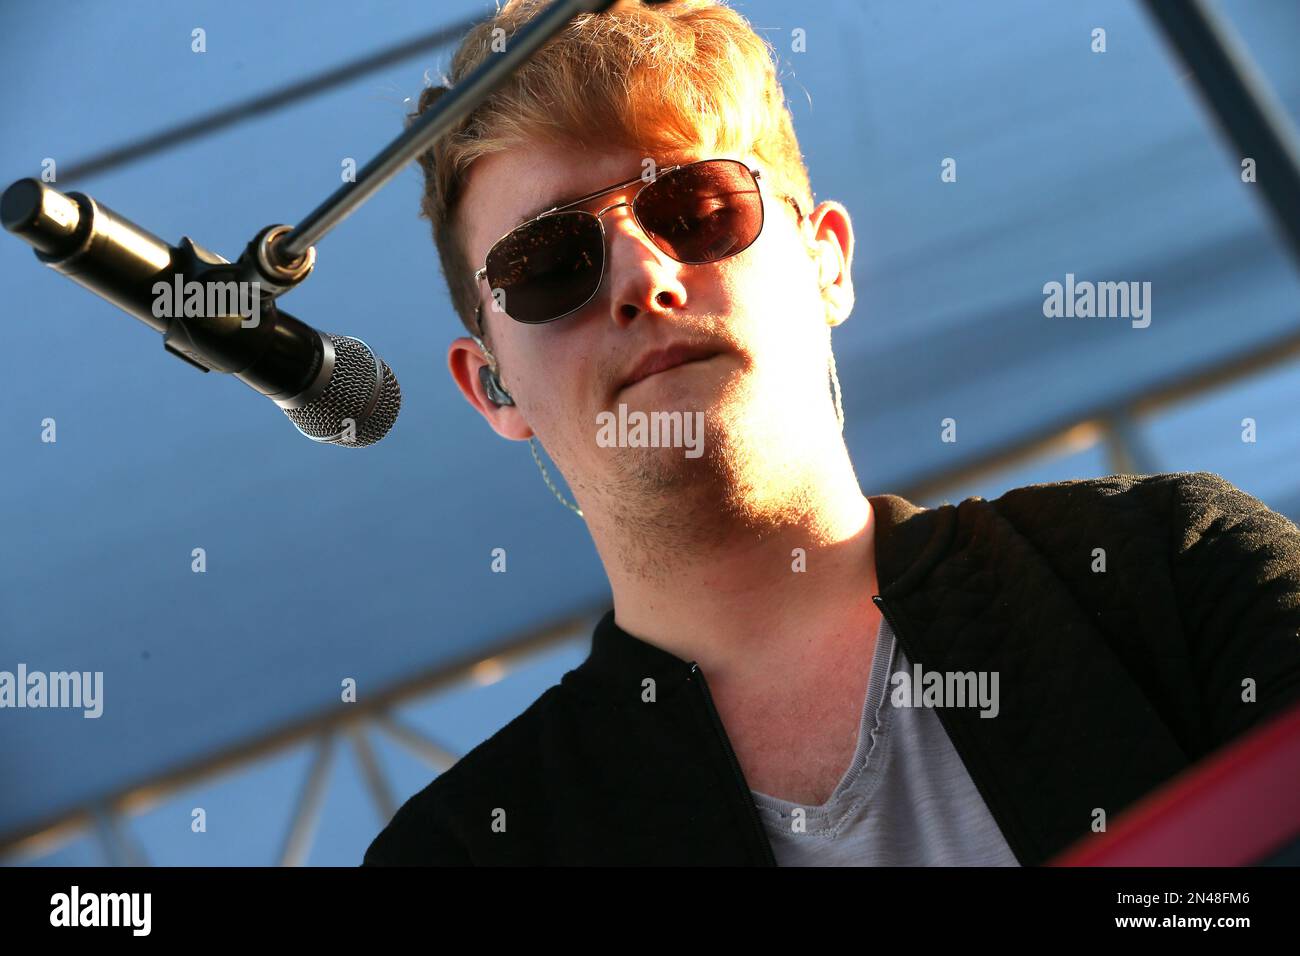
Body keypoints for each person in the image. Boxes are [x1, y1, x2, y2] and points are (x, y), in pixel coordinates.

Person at [363, 0, 1300, 865]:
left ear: (827, 264)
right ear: (491, 387)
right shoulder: (462, 854)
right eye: (549, 263)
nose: (643, 279)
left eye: (696, 209)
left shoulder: (1170, 567)